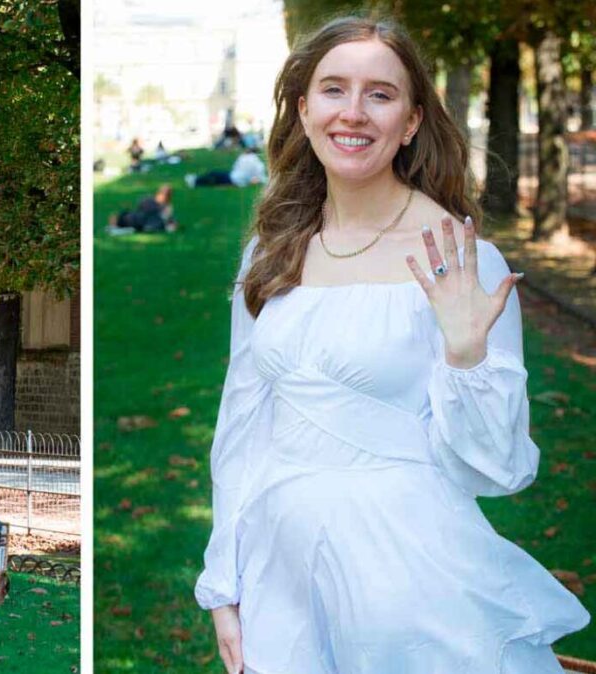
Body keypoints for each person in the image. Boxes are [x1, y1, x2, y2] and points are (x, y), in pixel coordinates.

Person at [195, 17, 588, 674]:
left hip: (409, 586)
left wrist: (468, 359)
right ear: (304, 108)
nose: (353, 112)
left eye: (379, 93)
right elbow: (241, 428)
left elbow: (495, 471)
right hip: (280, 575)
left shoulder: (462, 262)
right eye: (333, 90)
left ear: (410, 121)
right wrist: (224, 582)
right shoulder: (269, 254)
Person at [107, 184, 178, 235]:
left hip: (136, 220)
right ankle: (115, 224)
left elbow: (170, 222)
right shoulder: (149, 201)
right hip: (135, 220)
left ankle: (116, 224)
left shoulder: (164, 207)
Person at [184, 146, 267, 189]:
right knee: (215, 177)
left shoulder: (243, 157)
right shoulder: (259, 164)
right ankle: (195, 181)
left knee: (213, 174)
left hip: (233, 177)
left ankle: (195, 181)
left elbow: (235, 167)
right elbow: (261, 177)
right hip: (239, 181)